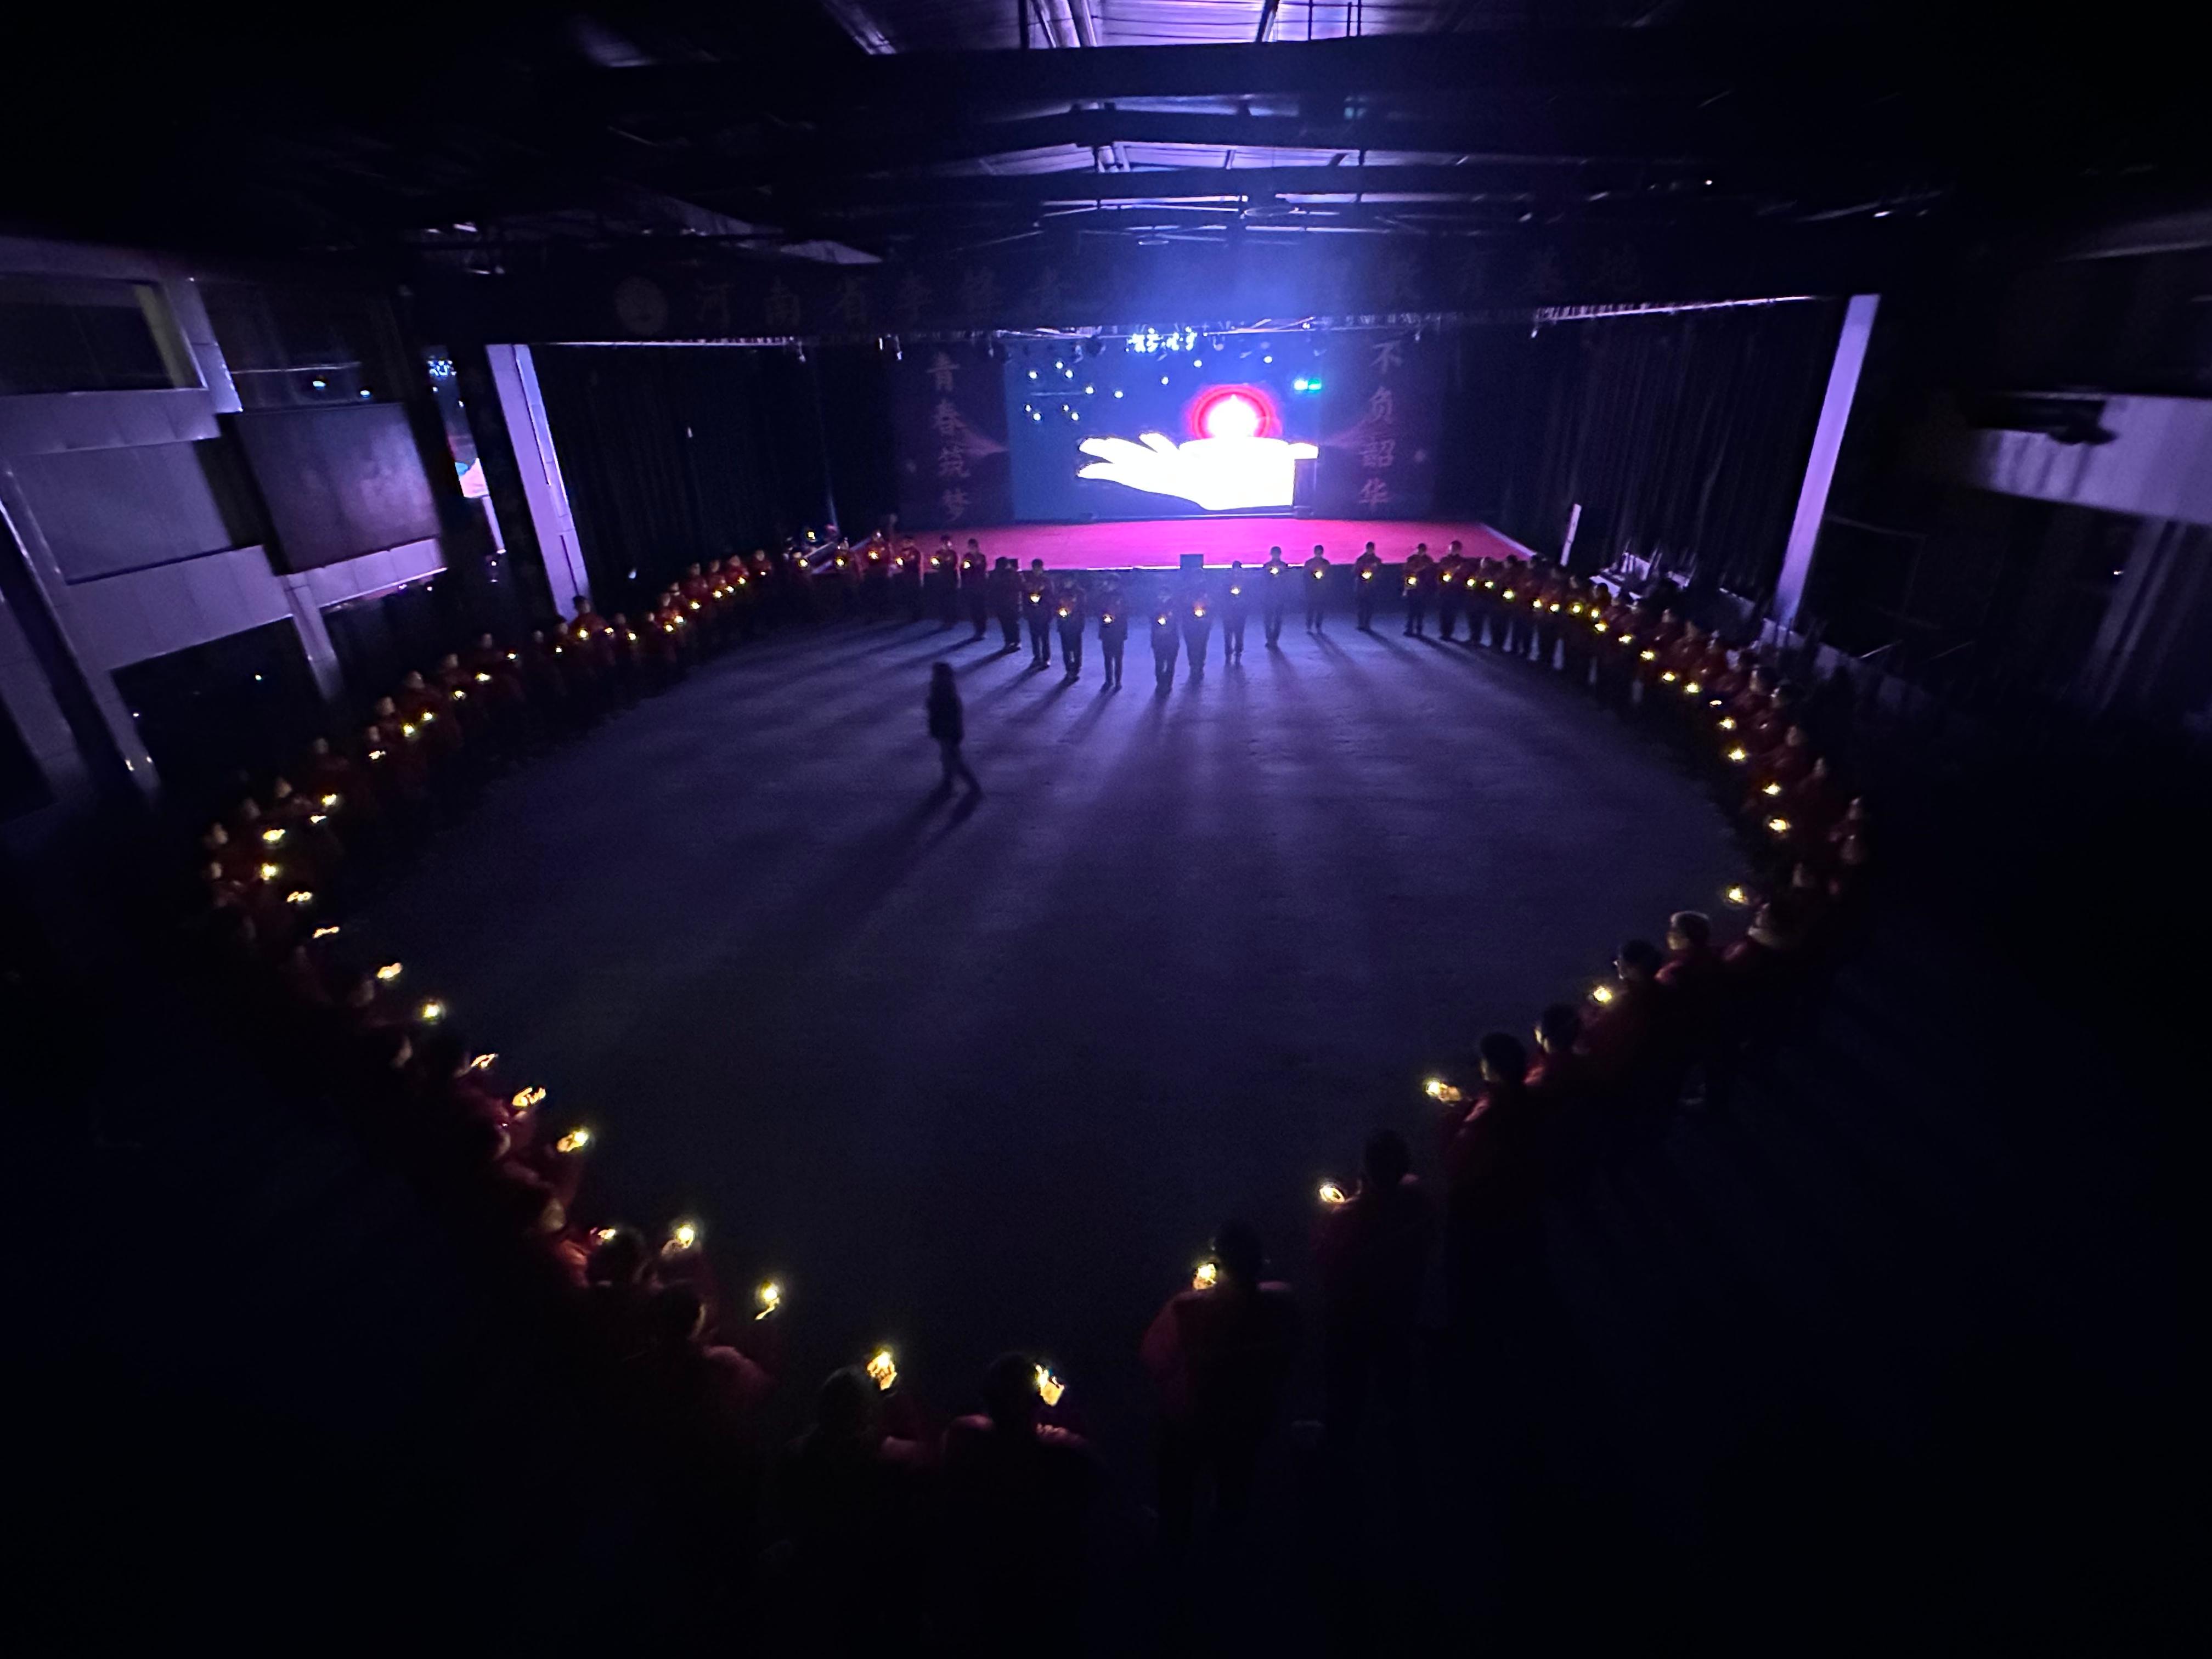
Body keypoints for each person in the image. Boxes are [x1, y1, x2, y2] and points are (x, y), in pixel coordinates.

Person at [1141, 1220, 1299, 1565]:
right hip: (1252, 1417)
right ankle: (1228, 1551)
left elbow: (1154, 1360)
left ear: (1219, 1259)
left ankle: (1173, 1548)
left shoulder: (1186, 1308)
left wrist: (1198, 1297)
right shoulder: (1283, 1301)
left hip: (1195, 1420)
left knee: (1177, 1484)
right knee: (1235, 1486)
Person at [939, 1352, 1102, 1649]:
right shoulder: (1065, 1454)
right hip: (1045, 1600)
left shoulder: (963, 1439)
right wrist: (1062, 1411)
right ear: (1036, 1402)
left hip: (977, 1593)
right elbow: (1092, 1470)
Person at [1313, 1130, 1434, 1462]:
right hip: (1401, 1307)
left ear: (1366, 1168)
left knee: (1346, 1390)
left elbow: (1326, 1264)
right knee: (1397, 1379)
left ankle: (1339, 1453)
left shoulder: (1348, 1217)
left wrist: (1336, 1214)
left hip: (1355, 1318)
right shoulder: (1416, 1198)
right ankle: (1404, 1444)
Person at [1438, 1031, 1547, 1339]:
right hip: (1517, 1197)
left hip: (1482, 1205)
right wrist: (1466, 1102)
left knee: (1469, 1271)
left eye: (1484, 1063)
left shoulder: (1490, 1115)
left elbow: (1457, 1159)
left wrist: (1454, 1116)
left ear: (1492, 1068)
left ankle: (1470, 1330)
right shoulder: (1528, 1094)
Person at [926, 663, 981, 795]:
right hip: (947, 731)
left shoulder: (942, 692)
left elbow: (942, 713)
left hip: (947, 731)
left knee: (953, 759)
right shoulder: (947, 691)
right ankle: (949, 783)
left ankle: (971, 785)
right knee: (949, 758)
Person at [1023, 559, 1054, 669]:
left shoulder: (1047, 581)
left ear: (1042, 569)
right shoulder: (1029, 581)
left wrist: (1043, 600)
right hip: (1032, 614)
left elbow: (1051, 598)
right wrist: (1026, 610)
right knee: (1034, 637)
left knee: (1045, 637)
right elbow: (1025, 597)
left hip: (1044, 613)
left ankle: (1046, 658)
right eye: (1034, 569)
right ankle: (1037, 657)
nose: (1036, 571)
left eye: (1038, 569)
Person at [1435, 540, 1466, 642]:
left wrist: (1456, 580)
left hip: (1455, 590)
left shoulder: (1462, 562)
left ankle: (1449, 633)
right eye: (1451, 548)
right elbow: (1439, 573)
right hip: (1444, 590)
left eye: (1455, 548)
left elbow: (1464, 575)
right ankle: (1444, 632)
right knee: (1443, 612)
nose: (1452, 550)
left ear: (1459, 549)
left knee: (1452, 613)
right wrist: (1442, 581)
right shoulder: (1444, 560)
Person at [1054, 580, 1086, 680]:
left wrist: (1076, 619)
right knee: (1066, 649)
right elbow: (1056, 606)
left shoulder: (1079, 593)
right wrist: (1061, 614)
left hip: (1075, 626)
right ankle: (1068, 669)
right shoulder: (1060, 593)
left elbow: (1082, 609)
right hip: (1064, 625)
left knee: (1076, 649)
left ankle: (1076, 669)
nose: (1067, 583)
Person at [989, 556, 1022, 650]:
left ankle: (1012, 641)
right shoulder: (1013, 574)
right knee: (1010, 623)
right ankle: (1013, 641)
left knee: (1009, 623)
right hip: (1008, 602)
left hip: (1007, 603)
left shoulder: (997, 574)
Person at [1260, 546, 1291, 646]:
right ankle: (1269, 639)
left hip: (1280, 596)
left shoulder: (1284, 566)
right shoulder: (1266, 566)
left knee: (1278, 619)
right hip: (1268, 596)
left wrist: (1281, 573)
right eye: (1274, 554)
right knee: (1268, 619)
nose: (1275, 556)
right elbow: (1263, 580)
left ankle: (1275, 639)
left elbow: (1287, 580)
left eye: (1277, 554)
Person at [961, 538, 991, 639]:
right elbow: (965, 569)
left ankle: (983, 630)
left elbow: (982, 569)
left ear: (977, 547)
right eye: (970, 547)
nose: (972, 549)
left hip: (981, 587)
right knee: (973, 610)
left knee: (982, 609)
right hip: (971, 587)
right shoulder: (967, 557)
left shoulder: (982, 557)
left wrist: (974, 566)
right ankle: (977, 630)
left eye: (974, 547)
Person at [1402, 542, 1433, 637]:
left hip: (1422, 588)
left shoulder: (1428, 561)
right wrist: (1407, 586)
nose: (1420, 552)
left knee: (1420, 611)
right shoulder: (1411, 559)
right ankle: (1409, 629)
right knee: (1411, 610)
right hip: (1412, 587)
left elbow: (1430, 574)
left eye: (1422, 550)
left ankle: (1419, 630)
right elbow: (1406, 572)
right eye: (1420, 550)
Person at [1220, 561, 1249, 662]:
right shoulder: (1226, 582)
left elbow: (1249, 596)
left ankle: (1238, 648)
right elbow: (1223, 595)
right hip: (1229, 610)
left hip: (1240, 610)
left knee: (1239, 630)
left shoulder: (1245, 583)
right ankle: (1229, 649)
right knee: (1229, 631)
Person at [1098, 594, 1127, 689]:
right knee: (1108, 659)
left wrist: (1123, 633)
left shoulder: (1121, 599)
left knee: (1118, 659)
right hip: (1107, 634)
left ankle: (1117, 681)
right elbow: (1100, 615)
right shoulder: (1103, 599)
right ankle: (1109, 680)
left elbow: (1124, 617)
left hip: (1118, 634)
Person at [1181, 589, 1214, 675]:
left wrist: (1208, 620)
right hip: (1189, 627)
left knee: (1202, 645)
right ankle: (1193, 665)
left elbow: (1211, 610)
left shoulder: (1206, 598)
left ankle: (1200, 664)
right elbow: (1182, 611)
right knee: (1191, 646)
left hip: (1203, 627)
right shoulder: (1186, 597)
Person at [1149, 600, 1181, 689]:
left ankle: (1168, 683)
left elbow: (1178, 618)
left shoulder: (1174, 606)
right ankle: (1160, 682)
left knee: (1170, 663)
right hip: (1159, 641)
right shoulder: (1154, 607)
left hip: (1172, 641)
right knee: (1159, 663)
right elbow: (1152, 619)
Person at [1353, 541, 1383, 630]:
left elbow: (1380, 573)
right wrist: (1362, 575)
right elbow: (1355, 571)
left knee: (1370, 606)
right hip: (1361, 586)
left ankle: (1367, 624)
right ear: (1366, 549)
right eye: (1369, 549)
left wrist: (1373, 576)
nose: (1370, 551)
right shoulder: (1361, 560)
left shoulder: (1377, 561)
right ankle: (1361, 623)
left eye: (1371, 549)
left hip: (1372, 586)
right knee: (1361, 606)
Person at [1303, 543, 1331, 631]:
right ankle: (1309, 626)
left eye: (1320, 552)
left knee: (1320, 609)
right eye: (1317, 552)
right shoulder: (1309, 563)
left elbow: (1329, 576)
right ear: (1315, 552)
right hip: (1311, 589)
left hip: (1322, 589)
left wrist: (1326, 585)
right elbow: (1305, 575)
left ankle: (1318, 626)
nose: (1319, 553)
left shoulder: (1326, 563)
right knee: (1310, 608)